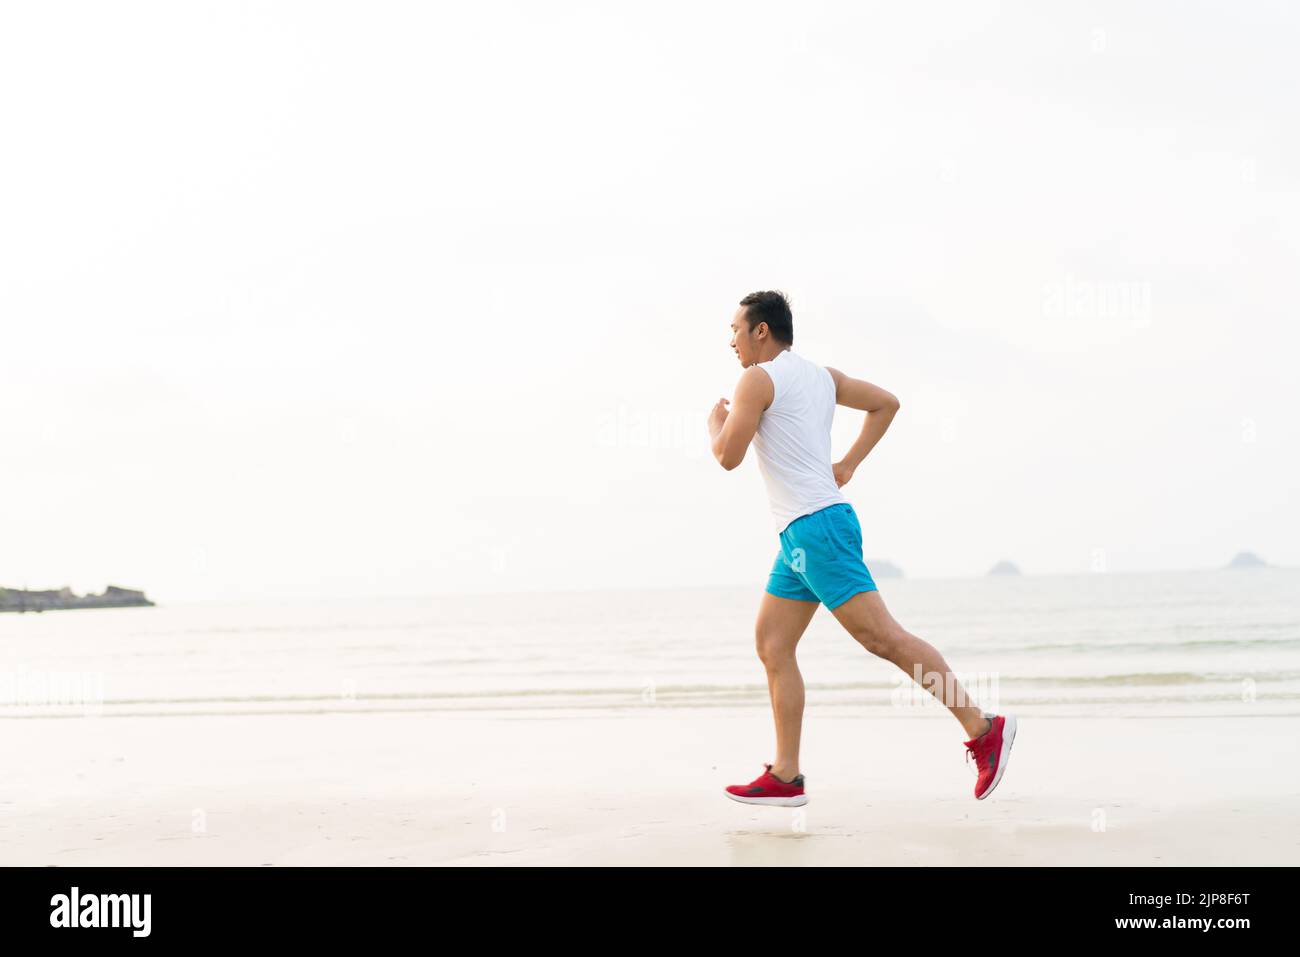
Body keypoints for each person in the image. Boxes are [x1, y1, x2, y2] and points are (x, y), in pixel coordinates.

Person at [706, 290, 1016, 807]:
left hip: (815, 529)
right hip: (802, 536)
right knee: (772, 644)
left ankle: (983, 727)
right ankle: (786, 775)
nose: (731, 341)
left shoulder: (756, 379)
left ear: (761, 331)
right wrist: (847, 465)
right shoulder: (821, 377)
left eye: (735, 330)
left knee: (884, 639)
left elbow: (728, 456)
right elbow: (885, 404)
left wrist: (716, 423)